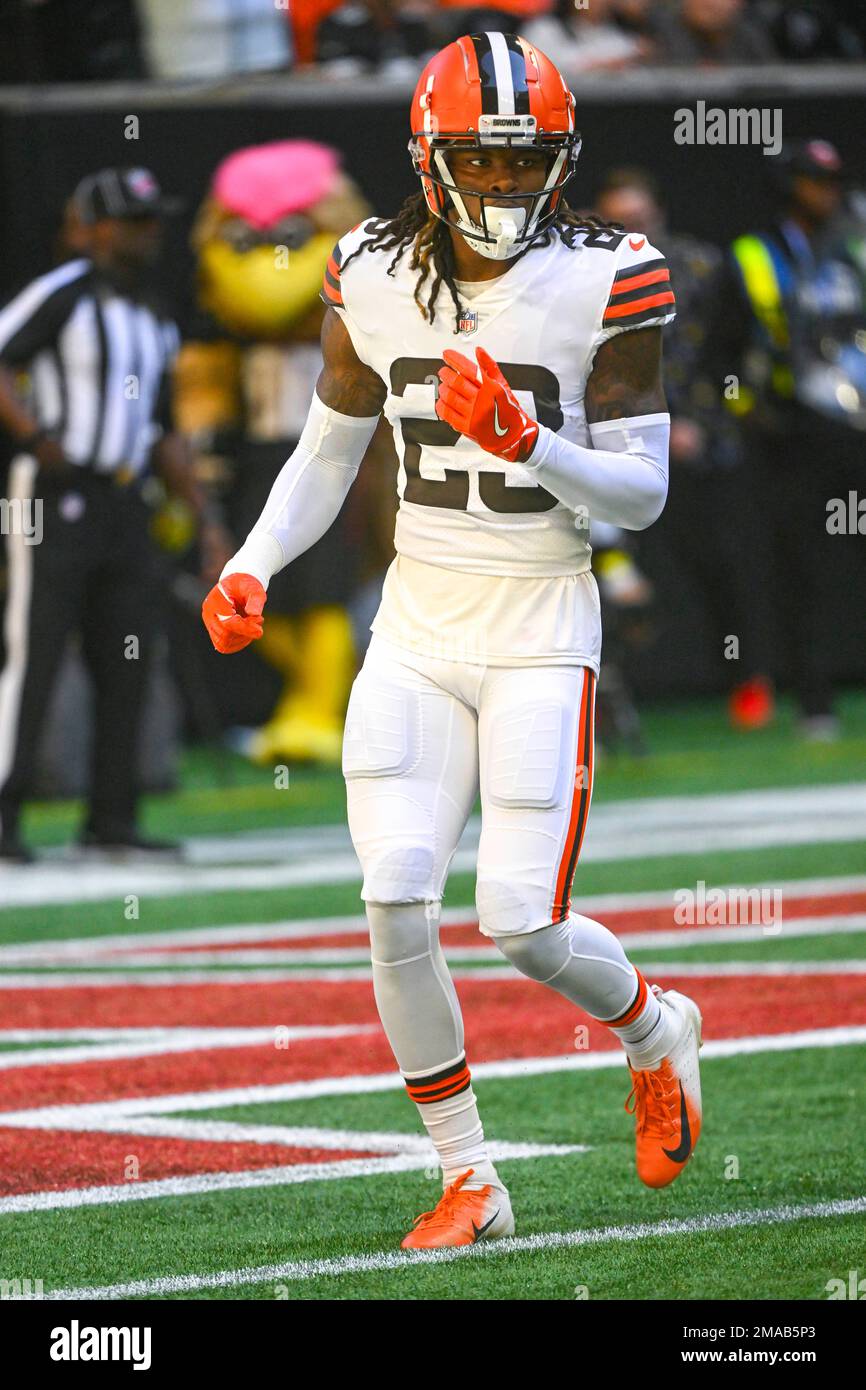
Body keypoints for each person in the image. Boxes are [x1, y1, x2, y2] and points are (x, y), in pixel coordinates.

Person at [202, 31, 703, 1248]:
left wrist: (529, 445)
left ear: (563, 162)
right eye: (476, 160)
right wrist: (252, 560)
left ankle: (653, 1028)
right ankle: (470, 1176)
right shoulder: (365, 268)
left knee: (522, 923)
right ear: (427, 159)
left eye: (522, 161)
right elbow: (328, 447)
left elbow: (641, 494)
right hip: (417, 625)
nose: (499, 185)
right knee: (392, 901)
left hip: (540, 622)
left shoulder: (611, 274)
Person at [0, 167, 230, 863]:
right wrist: (37, 438)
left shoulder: (155, 315)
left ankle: (112, 818)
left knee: (129, 651)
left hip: (127, 501)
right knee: (32, 651)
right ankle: (3, 817)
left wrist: (208, 518)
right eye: (133, 221)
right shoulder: (62, 294)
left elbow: (162, 429)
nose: (147, 233)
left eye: (153, 220)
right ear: (92, 228)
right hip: (54, 492)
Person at [594, 166, 774, 729]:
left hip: (692, 444)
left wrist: (696, 419)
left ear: (660, 214)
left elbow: (732, 355)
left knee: (718, 565)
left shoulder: (701, 266)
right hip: (610, 445)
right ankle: (605, 699)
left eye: (641, 219)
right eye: (621, 222)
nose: (633, 230)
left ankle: (746, 679)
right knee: (607, 568)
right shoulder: (582, 275)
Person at [722, 139, 865, 738]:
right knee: (800, 568)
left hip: (857, 427)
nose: (824, 194)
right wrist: (745, 409)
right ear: (790, 186)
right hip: (792, 433)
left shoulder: (855, 245)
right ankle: (814, 700)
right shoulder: (755, 256)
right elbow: (722, 361)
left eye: (830, 183)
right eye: (812, 182)